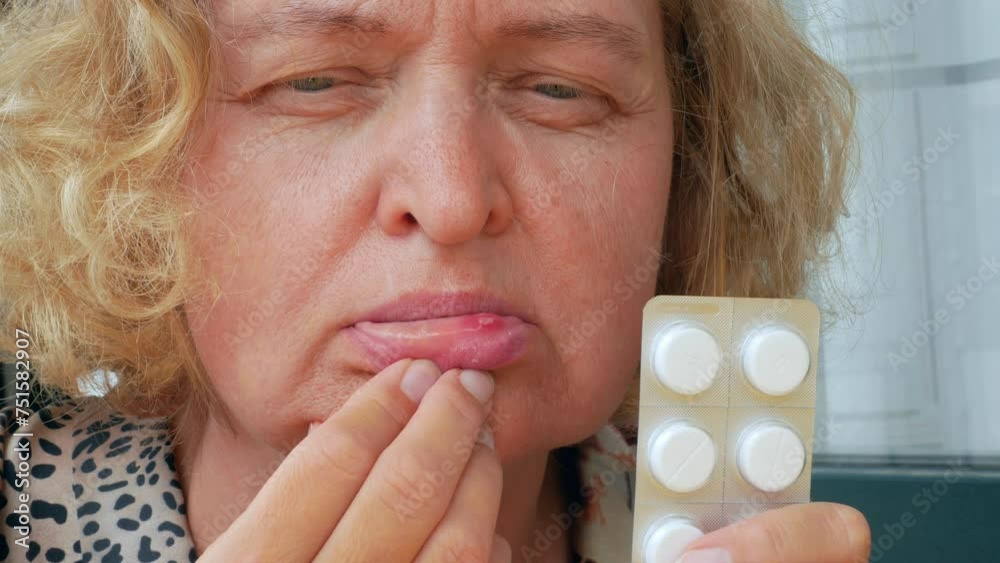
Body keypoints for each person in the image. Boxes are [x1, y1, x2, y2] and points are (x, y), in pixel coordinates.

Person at [0, 1, 871, 561]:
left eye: (559, 91)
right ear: (125, 154)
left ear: (690, 166)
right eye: (314, 82)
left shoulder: (737, 532)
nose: (452, 199)